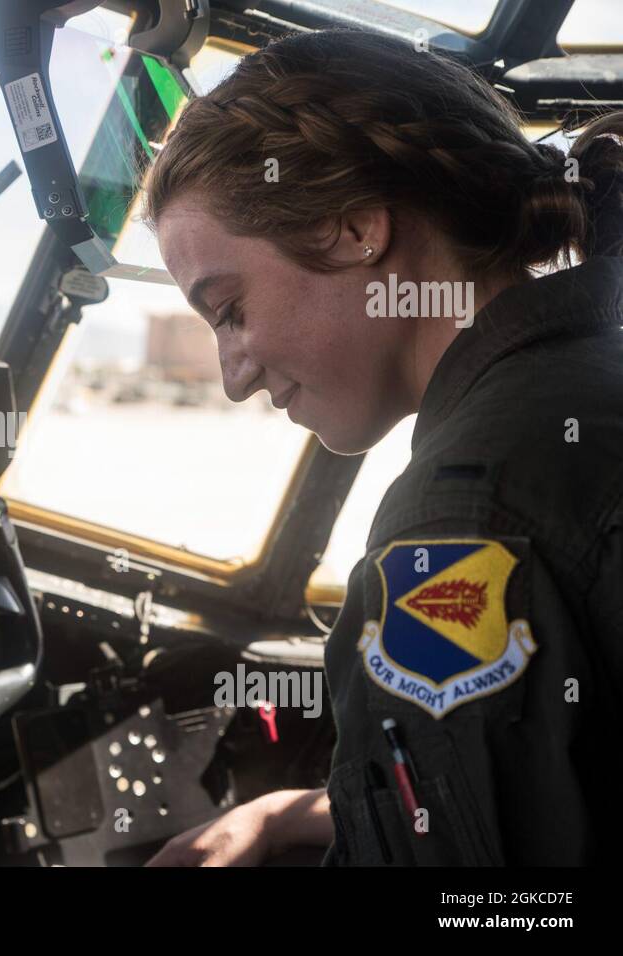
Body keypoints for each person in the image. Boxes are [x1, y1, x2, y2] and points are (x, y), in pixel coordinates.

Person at [142, 28, 623, 866]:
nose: (234, 376)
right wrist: (297, 813)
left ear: (355, 228)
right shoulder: (582, 385)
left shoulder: (463, 522)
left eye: (229, 311)